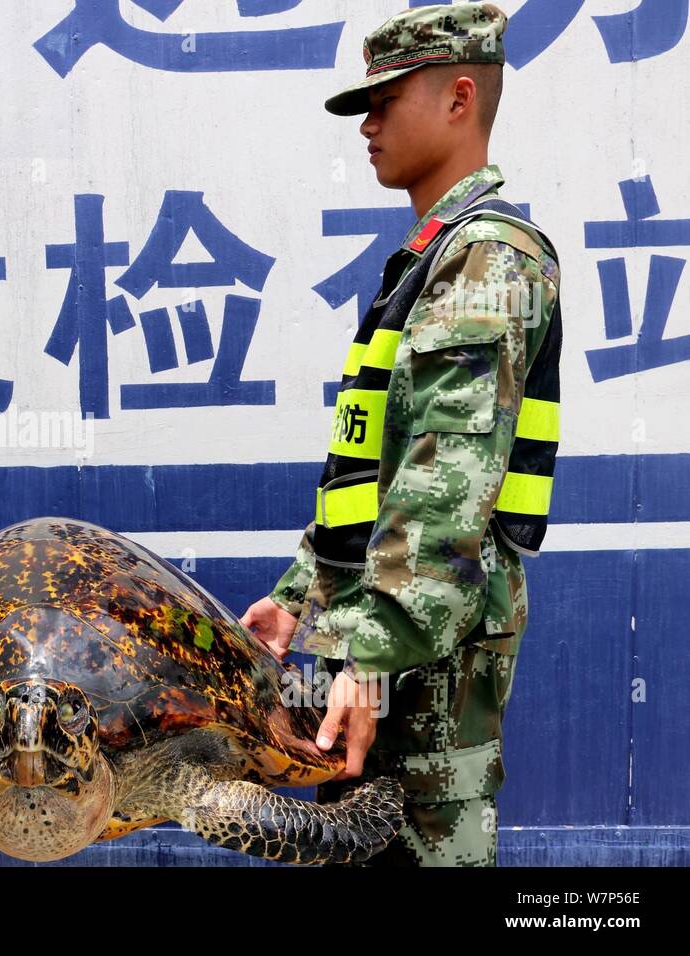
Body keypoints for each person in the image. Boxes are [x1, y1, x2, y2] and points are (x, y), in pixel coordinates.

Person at [240, 2, 562, 866]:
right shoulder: (430, 262)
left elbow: (444, 491)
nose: (368, 124)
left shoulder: (488, 260)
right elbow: (372, 478)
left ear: (461, 99)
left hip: (422, 690)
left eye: (387, 100)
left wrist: (367, 657)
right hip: (375, 671)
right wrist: (299, 596)